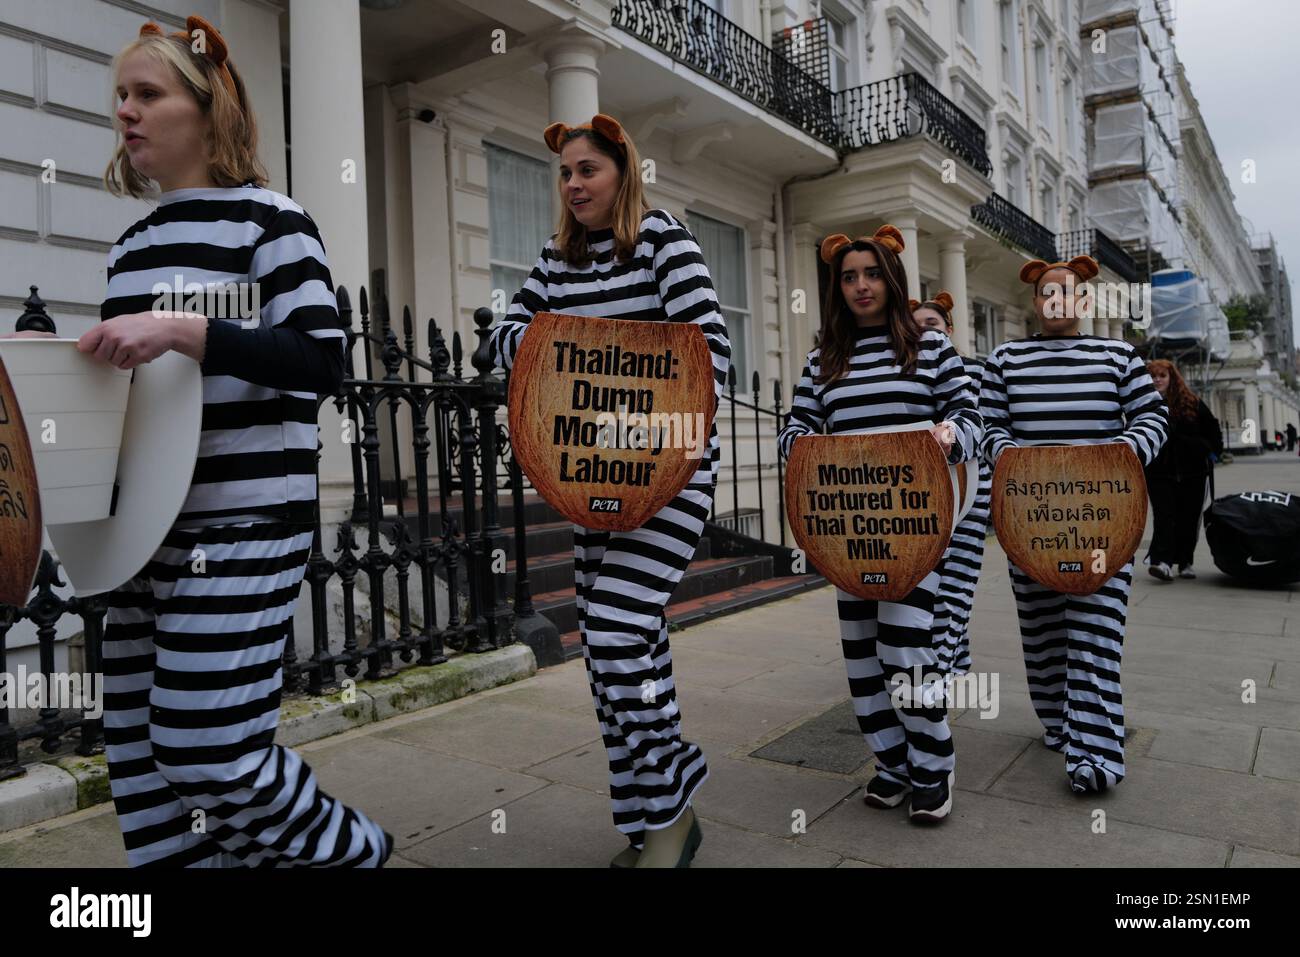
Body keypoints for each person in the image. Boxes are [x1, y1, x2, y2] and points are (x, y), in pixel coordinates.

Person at [84, 17, 392, 867]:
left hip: (248, 521)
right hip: (141, 533)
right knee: (141, 767)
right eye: (122, 96)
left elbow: (322, 359)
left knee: (204, 748)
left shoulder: (271, 220)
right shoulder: (133, 246)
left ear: (207, 105)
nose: (127, 112)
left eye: (149, 94)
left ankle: (351, 850)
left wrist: (185, 330)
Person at [487, 113, 730, 867]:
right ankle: (652, 812)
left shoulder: (663, 239)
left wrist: (599, 368)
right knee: (618, 652)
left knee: (619, 633)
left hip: (670, 472)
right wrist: (556, 346)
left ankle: (670, 815)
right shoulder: (556, 259)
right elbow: (500, 338)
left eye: (587, 168)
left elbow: (708, 349)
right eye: (563, 172)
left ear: (623, 172)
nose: (573, 183)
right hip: (586, 477)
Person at [777, 227, 981, 824]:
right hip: (846, 526)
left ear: (891, 281)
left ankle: (933, 767)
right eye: (848, 276)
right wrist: (805, 447)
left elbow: (970, 414)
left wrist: (950, 434)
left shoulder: (929, 349)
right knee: (863, 659)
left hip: (918, 526)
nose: (860, 286)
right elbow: (795, 429)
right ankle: (892, 766)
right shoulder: (824, 359)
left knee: (906, 648)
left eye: (870, 274)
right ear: (836, 288)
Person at [979, 256, 1167, 794]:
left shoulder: (1118, 355)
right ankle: (1060, 723)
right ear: (1035, 303)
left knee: (1095, 638)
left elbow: (1153, 417)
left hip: (1106, 522)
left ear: (1085, 301)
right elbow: (989, 423)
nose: (1057, 300)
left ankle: (1096, 755)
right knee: (1041, 637)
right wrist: (1011, 455)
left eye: (1067, 292)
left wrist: (1123, 454)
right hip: (1029, 520)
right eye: (1046, 292)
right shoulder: (1005, 360)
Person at [910, 292, 990, 677]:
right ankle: (957, 659)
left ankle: (939, 668)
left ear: (949, 330)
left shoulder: (979, 372)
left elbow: (987, 426)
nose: (924, 331)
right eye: (917, 325)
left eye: (932, 324)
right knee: (934, 584)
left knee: (957, 580)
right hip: (922, 491)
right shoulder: (908, 371)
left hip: (971, 488)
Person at [1143, 360, 1222, 580]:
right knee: (1164, 516)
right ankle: (1163, 562)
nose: (1157, 380)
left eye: (1162, 376)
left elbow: (1213, 429)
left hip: (1193, 472)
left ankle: (1185, 561)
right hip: (1158, 472)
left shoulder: (1192, 403)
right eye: (1153, 376)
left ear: (1172, 378)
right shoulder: (1144, 404)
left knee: (1189, 518)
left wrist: (1213, 451)